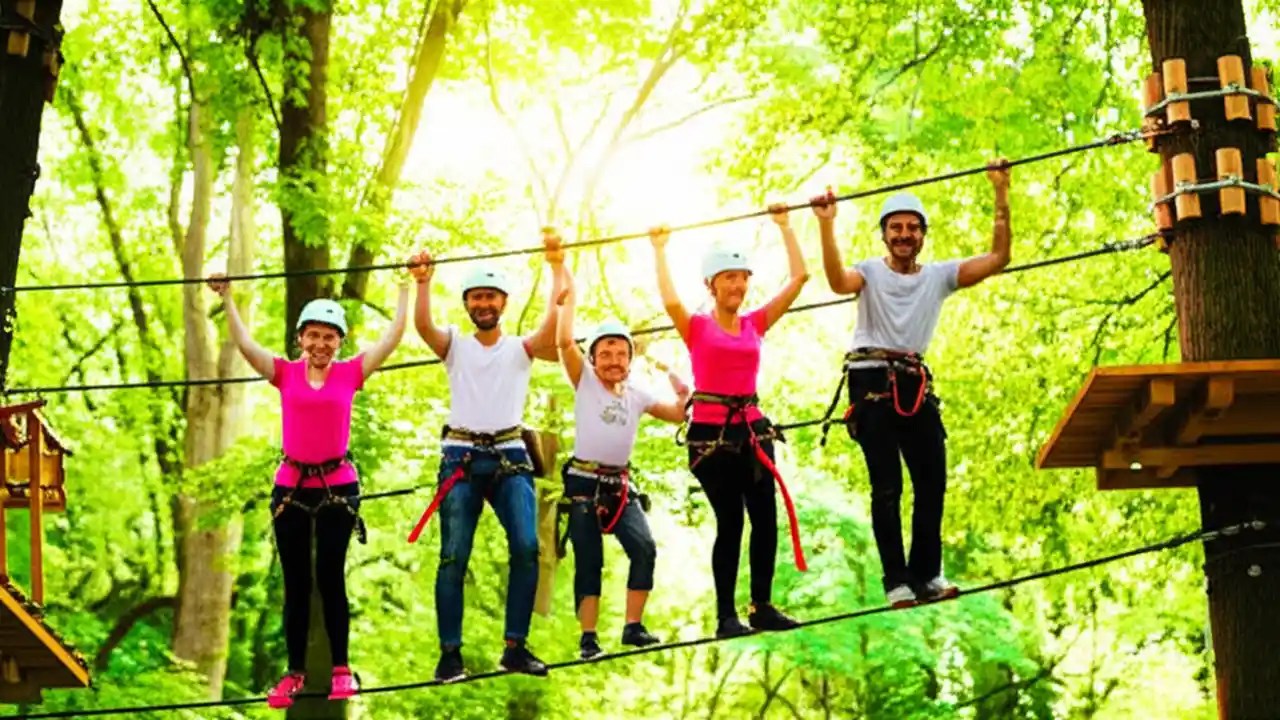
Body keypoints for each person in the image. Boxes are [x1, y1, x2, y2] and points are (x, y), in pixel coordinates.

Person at [812, 161, 1012, 608]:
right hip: (871, 379)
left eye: (912, 228)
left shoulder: (938, 276)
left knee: (932, 480)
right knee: (887, 485)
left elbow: (999, 259)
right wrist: (827, 226)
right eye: (896, 228)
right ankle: (896, 580)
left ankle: (926, 574)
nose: (904, 234)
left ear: (923, 235)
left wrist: (1001, 195)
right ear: (884, 235)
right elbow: (836, 280)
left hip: (913, 380)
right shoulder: (869, 272)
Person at [207, 273, 410, 709]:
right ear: (300, 338)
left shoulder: (350, 373)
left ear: (339, 342)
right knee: (296, 582)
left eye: (330, 336)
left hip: (337, 486)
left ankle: (340, 669)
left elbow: (392, 339)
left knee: (330, 577)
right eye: (314, 335)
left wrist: (407, 288)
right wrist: (228, 299)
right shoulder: (285, 373)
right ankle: (294, 672)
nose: (321, 343)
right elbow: (245, 347)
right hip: (291, 487)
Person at [406, 232, 566, 683]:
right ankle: (449, 655)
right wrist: (422, 282)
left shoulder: (520, 348)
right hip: (460, 454)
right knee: (454, 555)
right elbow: (423, 327)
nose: (484, 303)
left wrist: (556, 267)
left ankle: (515, 645)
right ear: (467, 304)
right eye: (476, 297)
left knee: (528, 546)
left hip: (510, 453)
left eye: (491, 296)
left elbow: (553, 328)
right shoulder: (455, 344)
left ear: (503, 303)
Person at [649, 204, 809, 639]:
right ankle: (725, 617)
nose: (738, 285)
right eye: (728, 279)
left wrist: (785, 226)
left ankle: (761, 606)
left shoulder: (755, 324)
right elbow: (668, 300)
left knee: (766, 519)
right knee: (732, 521)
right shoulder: (698, 327)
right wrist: (660, 249)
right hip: (712, 437)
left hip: (752, 429)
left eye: (742, 278)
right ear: (712, 285)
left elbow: (798, 280)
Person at [553, 267, 690, 659]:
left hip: (619, 486)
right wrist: (570, 297)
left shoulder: (637, 395)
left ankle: (633, 626)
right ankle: (588, 638)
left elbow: (678, 414)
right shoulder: (585, 382)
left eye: (620, 353)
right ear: (593, 358)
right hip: (583, 483)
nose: (613, 360)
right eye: (605, 353)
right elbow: (565, 342)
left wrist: (684, 396)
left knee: (644, 547)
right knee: (589, 562)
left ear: (630, 359)